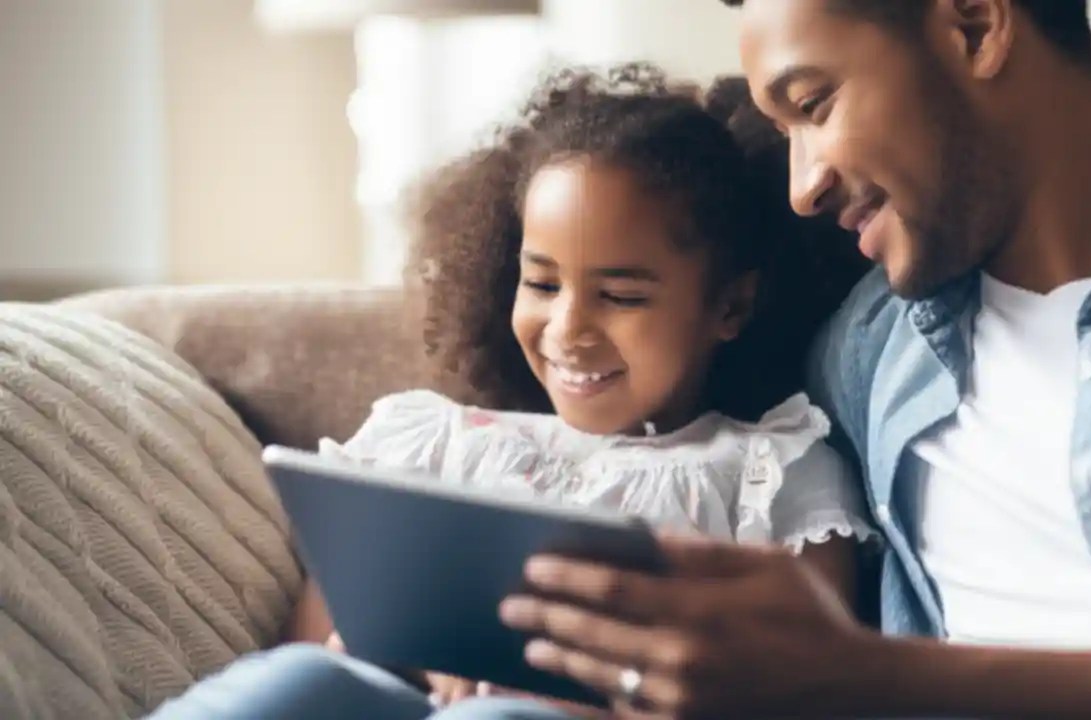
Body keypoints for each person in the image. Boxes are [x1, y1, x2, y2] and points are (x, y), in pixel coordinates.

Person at [470, 0, 1091, 718]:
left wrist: (875, 677)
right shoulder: (867, 348)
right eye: (785, 134)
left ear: (974, 26)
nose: (802, 188)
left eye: (813, 105)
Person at [148, 65, 875, 719]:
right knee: (297, 681)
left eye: (621, 296)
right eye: (542, 284)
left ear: (731, 306)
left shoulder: (769, 472)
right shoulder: (433, 445)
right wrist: (423, 661)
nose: (569, 329)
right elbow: (318, 647)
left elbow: (813, 688)